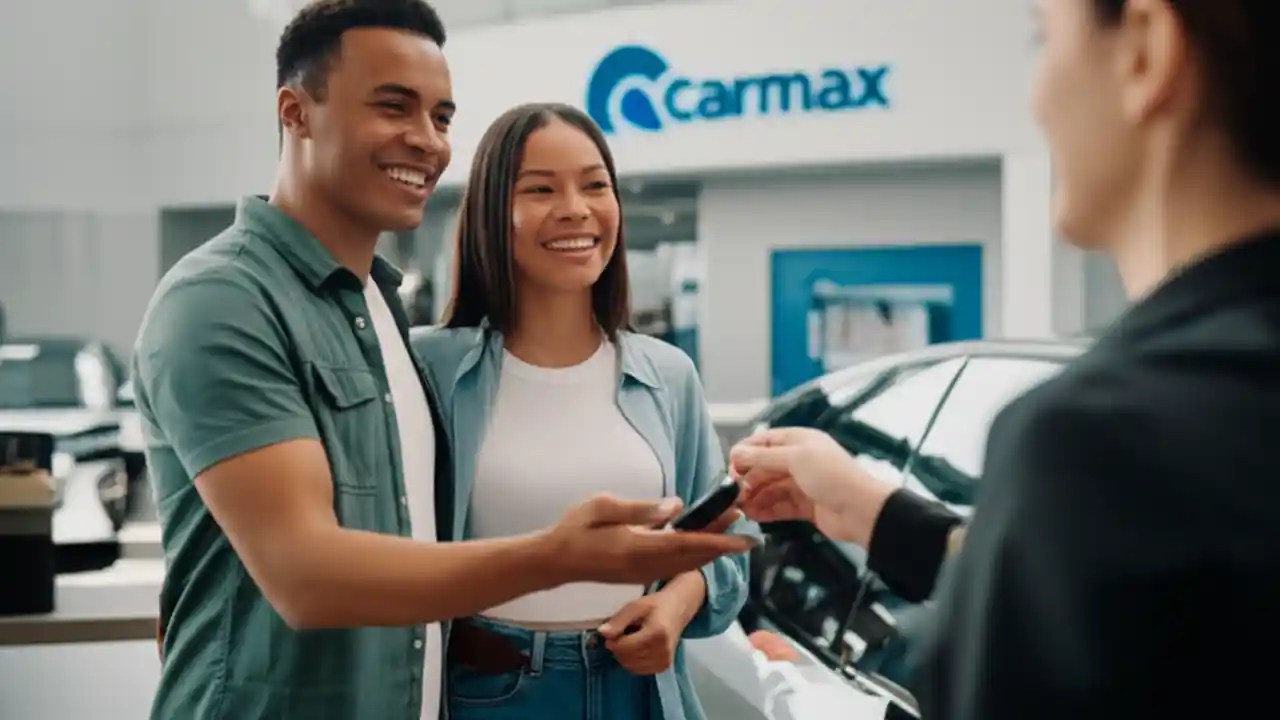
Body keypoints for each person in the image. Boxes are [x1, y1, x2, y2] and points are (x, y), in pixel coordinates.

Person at [130, 3, 752, 720]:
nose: (426, 140)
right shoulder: (223, 298)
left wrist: (673, 594)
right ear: (295, 112)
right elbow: (303, 575)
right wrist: (559, 556)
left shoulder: (378, 313)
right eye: (393, 107)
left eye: (442, 117)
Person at [731, 0, 1280, 717]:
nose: (1037, 99)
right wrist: (871, 512)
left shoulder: (1105, 441)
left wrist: (803, 699)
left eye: (1042, 39)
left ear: (1146, 48)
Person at [410, 102, 751, 720]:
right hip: (491, 693)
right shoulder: (430, 368)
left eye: (595, 185)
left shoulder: (668, 374)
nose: (575, 208)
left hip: (640, 690)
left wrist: (674, 607)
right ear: (492, 213)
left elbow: (727, 543)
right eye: (541, 189)